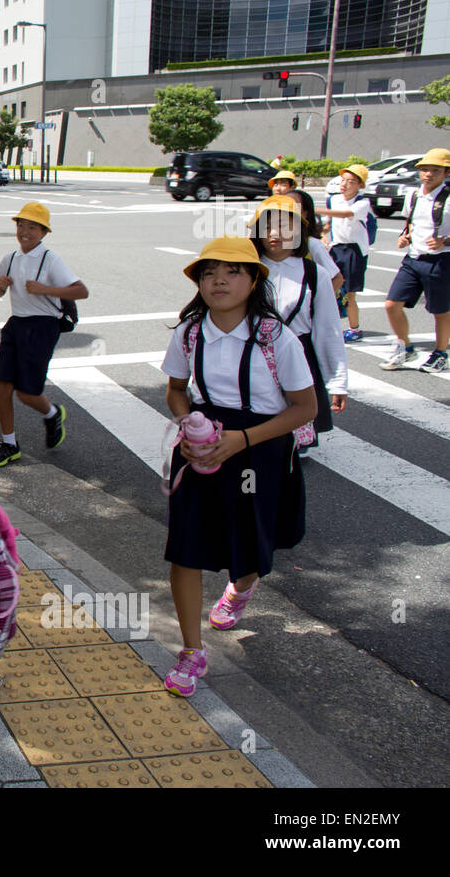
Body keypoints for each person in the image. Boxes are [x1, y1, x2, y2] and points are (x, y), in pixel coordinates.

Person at [159, 236, 316, 696]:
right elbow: (174, 388)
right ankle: (191, 651)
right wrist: (189, 424)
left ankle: (240, 588)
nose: (219, 281)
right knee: (184, 549)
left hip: (259, 447)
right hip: (202, 443)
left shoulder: (276, 337)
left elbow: (304, 408)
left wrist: (241, 440)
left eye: (232, 272)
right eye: (209, 273)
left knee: (250, 547)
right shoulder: (189, 332)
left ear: (253, 281)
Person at [0, 202, 89, 467]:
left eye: (32, 226)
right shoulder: (9, 259)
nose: (25, 231)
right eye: (21, 225)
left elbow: (81, 291)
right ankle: (9, 444)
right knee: (1, 386)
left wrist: (46, 289)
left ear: (44, 232)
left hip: (43, 326)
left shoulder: (51, 260)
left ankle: (53, 413)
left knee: (27, 394)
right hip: (16, 324)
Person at [249, 196, 347, 448]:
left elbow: (328, 329)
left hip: (299, 356)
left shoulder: (315, 274)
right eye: (266, 226)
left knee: (295, 432)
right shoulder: (246, 269)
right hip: (252, 354)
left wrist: (337, 381)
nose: (274, 233)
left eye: (284, 225)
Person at [380, 148, 450, 372]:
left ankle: (440, 352)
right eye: (425, 170)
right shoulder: (413, 194)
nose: (428, 174)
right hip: (413, 258)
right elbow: (411, 222)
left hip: (440, 260)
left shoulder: (448, 198)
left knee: (440, 311)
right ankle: (406, 347)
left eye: (435, 171)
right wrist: (405, 236)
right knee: (392, 304)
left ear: (445, 173)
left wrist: (445, 241)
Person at [318, 164, 373, 342]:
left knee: (350, 292)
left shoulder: (362, 203)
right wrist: (322, 234)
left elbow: (345, 214)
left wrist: (316, 210)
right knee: (329, 288)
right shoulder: (333, 199)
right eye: (343, 180)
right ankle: (330, 327)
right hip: (337, 247)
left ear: (360, 185)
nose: (345, 184)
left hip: (354, 250)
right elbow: (329, 223)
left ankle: (354, 328)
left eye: (351, 182)